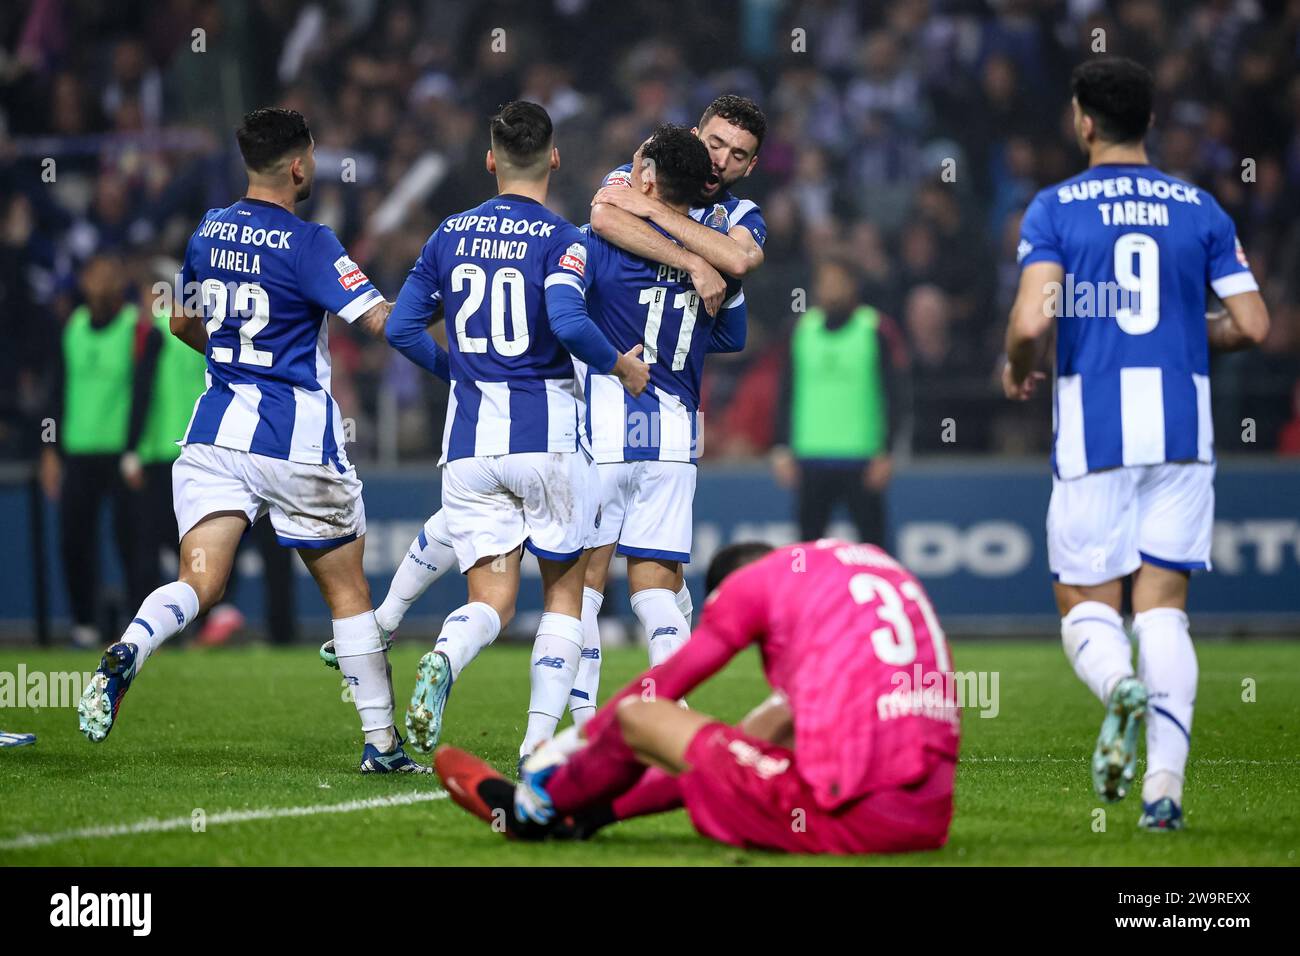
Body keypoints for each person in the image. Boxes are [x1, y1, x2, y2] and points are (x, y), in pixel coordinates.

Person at [354, 96, 771, 729]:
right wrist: (697, 261)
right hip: (671, 426)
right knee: (657, 588)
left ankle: (572, 719)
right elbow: (727, 304)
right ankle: (670, 713)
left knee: (582, 584)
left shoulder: (626, 200)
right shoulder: (691, 220)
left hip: (594, 418)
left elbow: (600, 242)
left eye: (738, 154)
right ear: (697, 137)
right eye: (716, 144)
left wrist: (648, 219)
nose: (723, 159)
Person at [76, 107, 427, 774]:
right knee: (348, 594)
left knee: (198, 581)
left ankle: (130, 648)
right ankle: (381, 744)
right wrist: (438, 292)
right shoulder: (312, 241)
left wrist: (238, 357)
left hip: (214, 435)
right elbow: (382, 322)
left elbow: (179, 320)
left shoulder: (209, 229)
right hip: (294, 441)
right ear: (299, 164)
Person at [1002, 57, 1269, 830]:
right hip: (1184, 430)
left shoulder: (1057, 208)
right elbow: (1254, 325)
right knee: (1164, 610)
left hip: (1097, 428)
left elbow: (1029, 322)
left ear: (1084, 118)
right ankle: (1164, 791)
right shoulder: (1200, 207)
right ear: (1150, 121)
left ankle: (1117, 682)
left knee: (1085, 601)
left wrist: (1019, 368)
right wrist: (1191, 330)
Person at [383, 101, 649, 760]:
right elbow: (565, 320)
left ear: (489, 160)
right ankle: (536, 744)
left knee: (492, 599)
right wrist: (619, 364)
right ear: (554, 159)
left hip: (471, 447)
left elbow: (399, 327)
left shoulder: (448, 234)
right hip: (547, 440)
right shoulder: (563, 238)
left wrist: (456, 368)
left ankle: (446, 654)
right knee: (565, 590)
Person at [435, 539, 959, 855]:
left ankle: (535, 809)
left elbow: (660, 687)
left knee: (642, 718)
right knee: (769, 725)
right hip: (929, 817)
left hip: (854, 820)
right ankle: (587, 817)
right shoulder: (865, 566)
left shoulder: (751, 588)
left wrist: (567, 747)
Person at [42, 253, 155, 648]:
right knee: (74, 540)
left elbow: (143, 394)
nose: (100, 281)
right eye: (93, 273)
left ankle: (138, 629)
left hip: (121, 455)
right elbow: (55, 393)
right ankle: (84, 623)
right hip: (78, 453)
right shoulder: (71, 329)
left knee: (132, 542)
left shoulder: (134, 329)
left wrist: (133, 450)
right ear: (84, 281)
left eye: (108, 272)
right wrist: (50, 449)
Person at [770, 257, 905, 546]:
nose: (830, 289)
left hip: (863, 457)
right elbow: (785, 392)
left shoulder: (876, 329)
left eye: (837, 281)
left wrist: (887, 450)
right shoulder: (800, 329)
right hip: (810, 457)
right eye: (825, 281)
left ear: (853, 284)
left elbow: (895, 395)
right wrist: (781, 447)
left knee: (874, 546)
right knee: (809, 547)